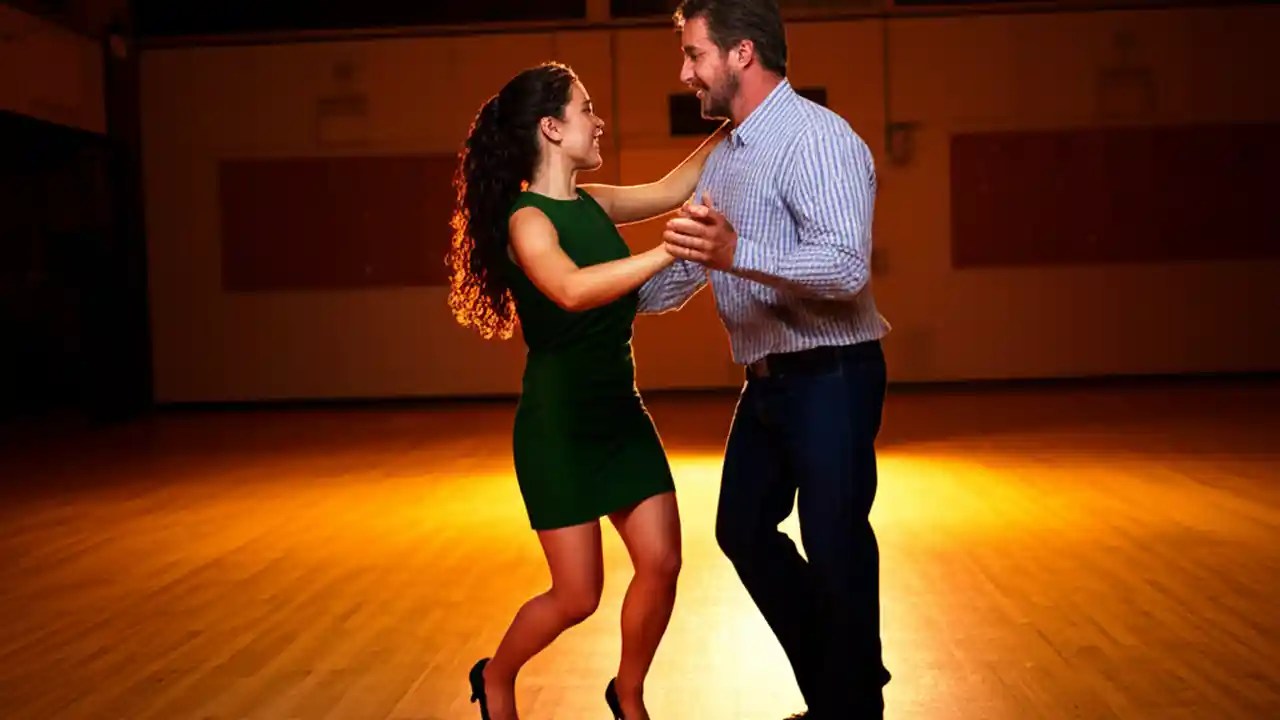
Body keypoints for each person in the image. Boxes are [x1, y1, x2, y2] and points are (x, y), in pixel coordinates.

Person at [446, 61, 727, 720]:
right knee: (577, 596)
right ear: (551, 127)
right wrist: (667, 253)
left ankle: (627, 694)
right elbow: (570, 290)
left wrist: (744, 116)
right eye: (586, 109)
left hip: (618, 412)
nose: (600, 121)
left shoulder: (592, 204)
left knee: (661, 562)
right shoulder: (526, 221)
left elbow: (672, 186)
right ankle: (497, 675)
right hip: (559, 425)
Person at [638, 1, 894, 718]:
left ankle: (848, 705)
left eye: (694, 55)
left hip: (833, 372)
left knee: (834, 540)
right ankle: (848, 682)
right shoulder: (730, 154)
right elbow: (691, 266)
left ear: (741, 54)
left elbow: (845, 269)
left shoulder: (818, 140)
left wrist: (734, 253)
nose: (685, 72)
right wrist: (593, 299)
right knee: (743, 529)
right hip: (770, 381)